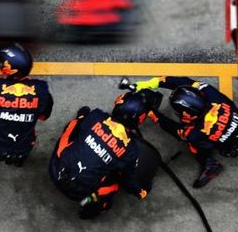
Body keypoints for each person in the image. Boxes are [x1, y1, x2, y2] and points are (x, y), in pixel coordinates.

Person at [48, 91, 161, 219]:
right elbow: (128, 180)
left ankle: (79, 117)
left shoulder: (96, 115)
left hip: (55, 168)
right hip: (78, 192)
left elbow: (72, 128)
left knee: (73, 127)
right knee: (114, 185)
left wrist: (82, 118)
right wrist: (140, 192)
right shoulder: (131, 150)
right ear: (138, 119)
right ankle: (89, 209)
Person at [135, 75, 238, 188]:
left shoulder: (193, 133)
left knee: (193, 145)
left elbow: (172, 128)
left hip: (230, 143)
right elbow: (186, 82)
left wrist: (151, 112)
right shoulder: (210, 92)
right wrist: (155, 82)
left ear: (188, 114)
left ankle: (210, 165)